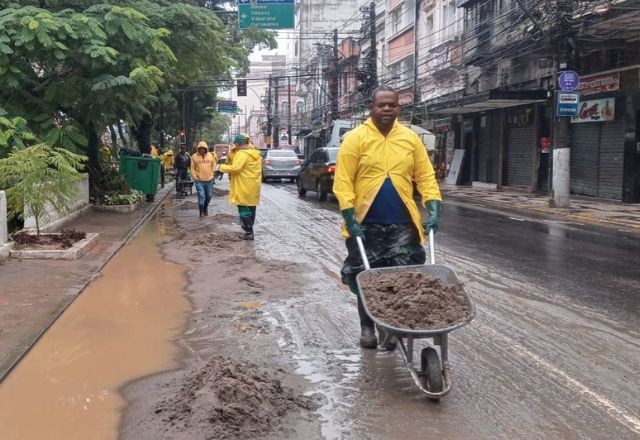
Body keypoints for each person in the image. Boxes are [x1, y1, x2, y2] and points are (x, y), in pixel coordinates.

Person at [333, 85, 442, 349]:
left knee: (403, 275)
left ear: (398, 108)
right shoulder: (355, 138)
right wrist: (349, 217)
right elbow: (343, 181)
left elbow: (425, 176)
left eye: (391, 105)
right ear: (371, 107)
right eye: (381, 104)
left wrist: (434, 206)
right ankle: (367, 326)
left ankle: (392, 323)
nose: (386, 109)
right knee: (364, 276)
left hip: (403, 223)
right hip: (364, 224)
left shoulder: (410, 138)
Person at [217, 134, 262, 240]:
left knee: (243, 208)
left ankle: (249, 232)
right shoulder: (255, 154)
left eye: (235, 144)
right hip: (253, 186)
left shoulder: (241, 154)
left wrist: (220, 167)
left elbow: (236, 168)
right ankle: (249, 228)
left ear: (237, 144)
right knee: (251, 207)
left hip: (243, 185)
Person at [190, 141, 218, 217]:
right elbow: (192, 168)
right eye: (200, 148)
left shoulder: (210, 155)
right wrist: (195, 177)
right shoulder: (194, 156)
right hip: (199, 180)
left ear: (206, 149)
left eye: (203, 149)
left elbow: (214, 166)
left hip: (209, 180)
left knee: (209, 196)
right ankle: (201, 212)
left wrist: (212, 175)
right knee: (201, 195)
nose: (202, 150)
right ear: (198, 148)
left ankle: (205, 208)